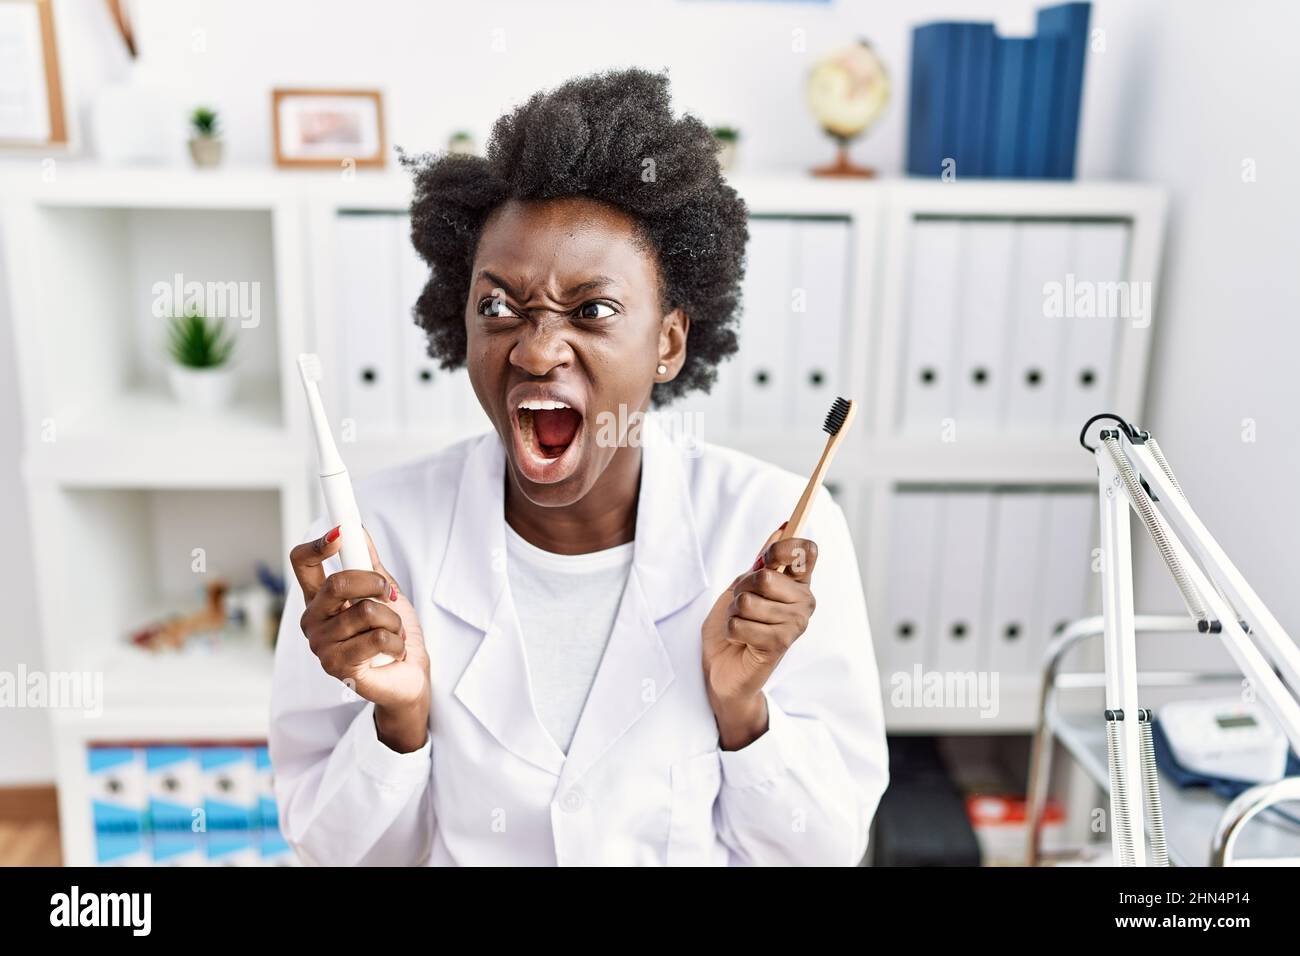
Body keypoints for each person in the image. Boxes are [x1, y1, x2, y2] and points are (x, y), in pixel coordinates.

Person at [269, 67, 887, 866]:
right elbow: (329, 850)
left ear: (668, 342)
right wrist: (398, 725)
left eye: (591, 310)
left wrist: (744, 713)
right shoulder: (368, 546)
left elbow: (826, 847)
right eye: (499, 307)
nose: (533, 348)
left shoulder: (770, 531)